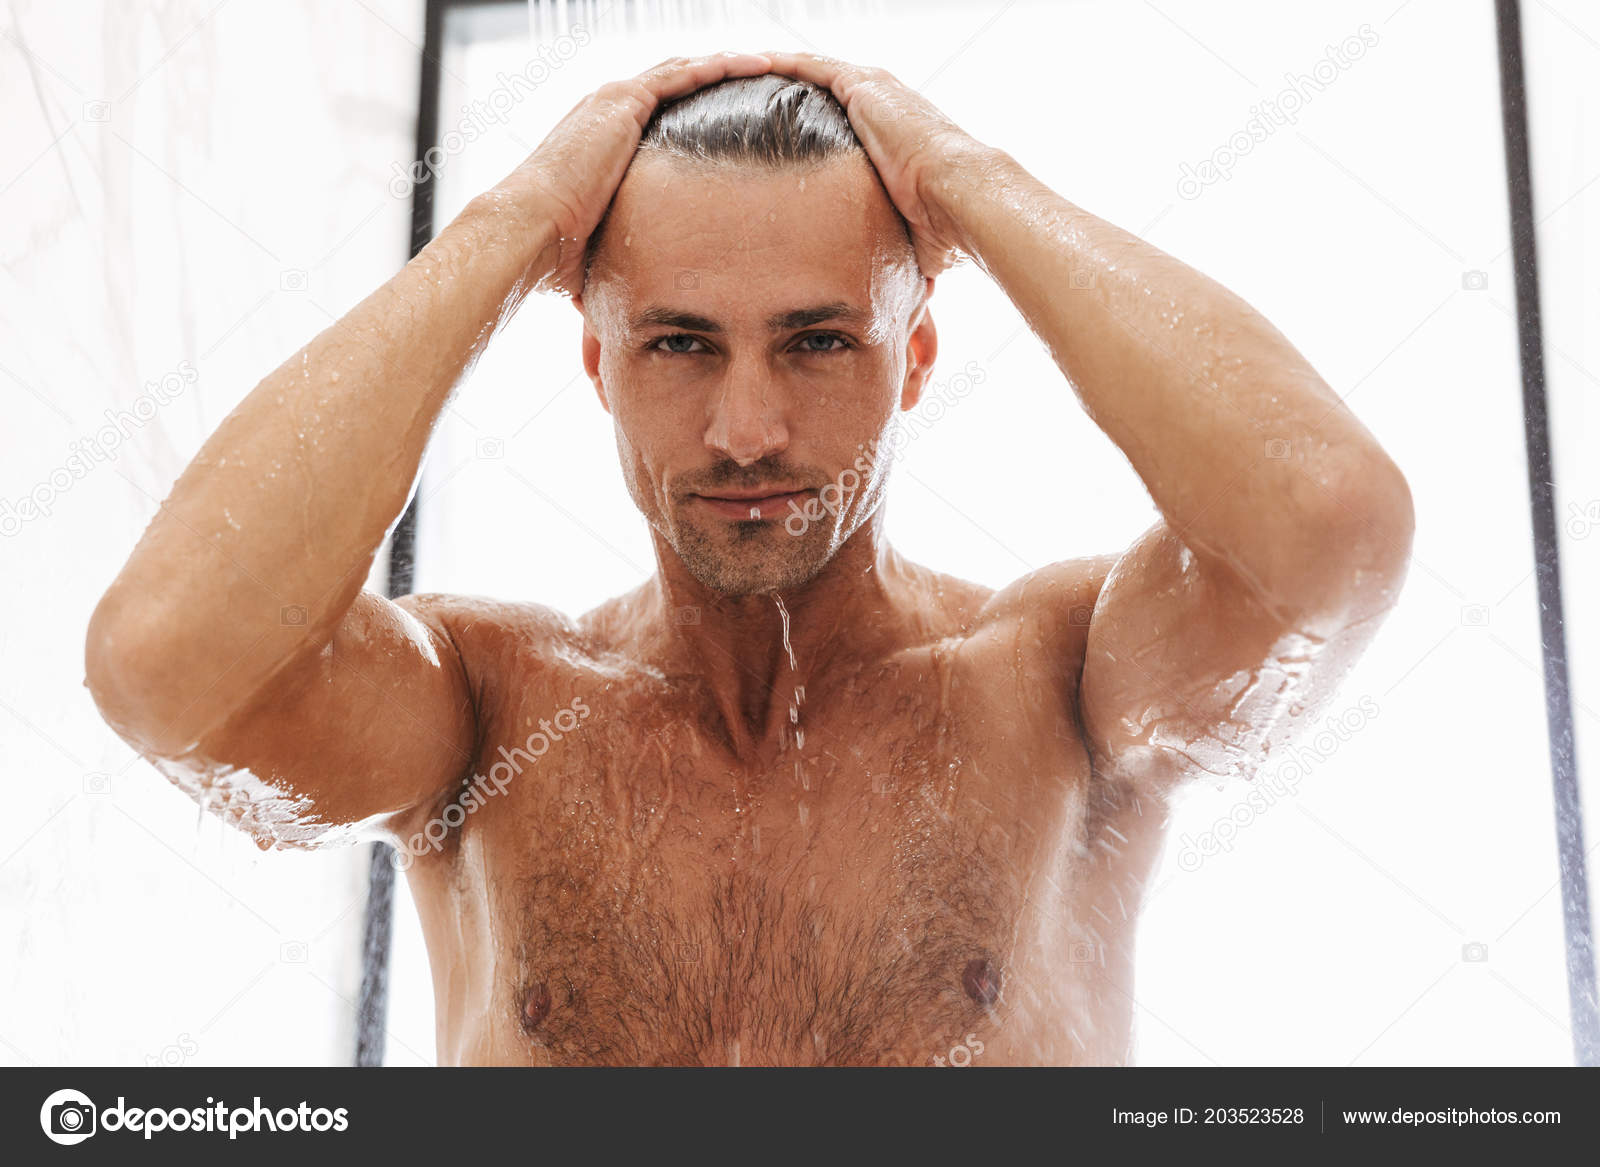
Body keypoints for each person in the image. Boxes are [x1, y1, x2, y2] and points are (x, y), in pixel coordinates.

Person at [84, 50, 1414, 1065]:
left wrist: (969, 182)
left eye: (820, 341)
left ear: (916, 359)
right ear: (597, 362)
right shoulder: (486, 712)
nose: (746, 432)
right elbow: (166, 663)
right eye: (680, 344)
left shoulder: (1061, 687)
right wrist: (514, 225)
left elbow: (1326, 521)